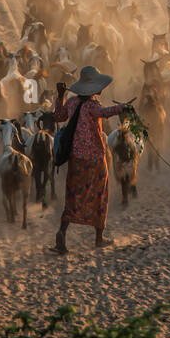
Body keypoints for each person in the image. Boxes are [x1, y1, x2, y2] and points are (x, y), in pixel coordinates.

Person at [49, 65, 134, 254]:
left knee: (73, 196)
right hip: (95, 159)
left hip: (75, 159)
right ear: (94, 87)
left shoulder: (71, 103)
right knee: (100, 194)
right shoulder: (93, 106)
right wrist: (123, 107)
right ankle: (98, 238)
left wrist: (60, 95)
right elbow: (106, 113)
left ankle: (62, 233)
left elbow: (58, 116)